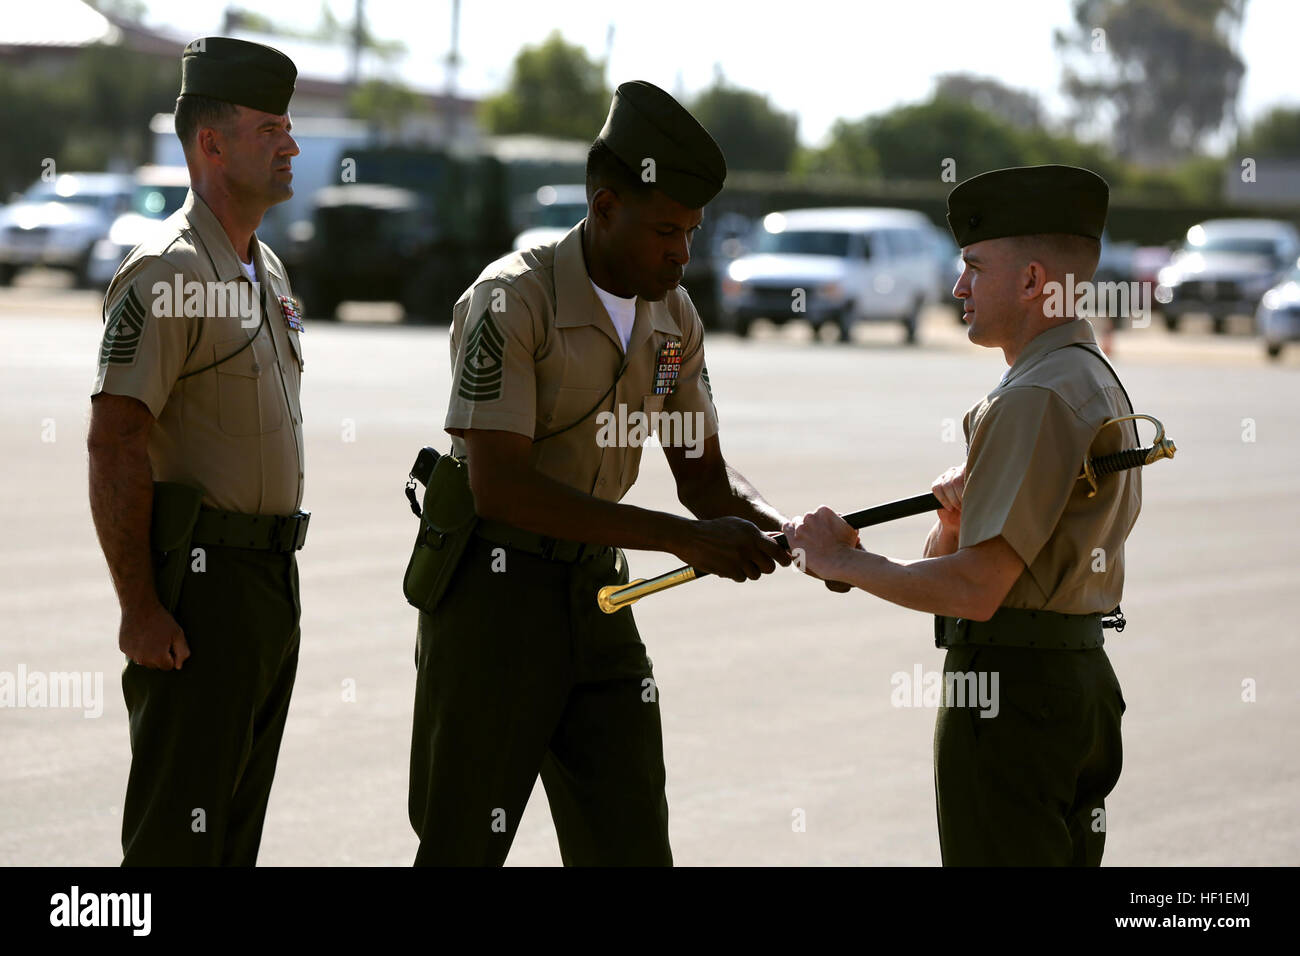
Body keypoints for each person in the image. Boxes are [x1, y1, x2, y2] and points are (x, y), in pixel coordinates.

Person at [409, 80, 797, 866]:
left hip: (597, 598)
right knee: (461, 847)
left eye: (690, 232)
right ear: (604, 204)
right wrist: (687, 541)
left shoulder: (673, 313)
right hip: (493, 597)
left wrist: (787, 530)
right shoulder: (513, 298)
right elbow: (501, 487)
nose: (681, 253)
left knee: (630, 845)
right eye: (664, 231)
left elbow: (706, 479)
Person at [783, 165, 1142, 866]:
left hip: (1015, 695)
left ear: (1034, 281)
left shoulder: (1034, 396)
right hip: (1074, 683)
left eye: (975, 268)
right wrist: (952, 526)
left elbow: (978, 590)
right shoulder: (1088, 374)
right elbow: (985, 559)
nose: (958, 288)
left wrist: (841, 561)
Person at [87, 37, 307, 865]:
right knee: (174, 847)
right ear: (210, 144)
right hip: (200, 590)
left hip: (266, 588)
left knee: (230, 841)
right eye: (268, 130)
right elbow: (115, 439)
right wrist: (140, 607)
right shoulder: (166, 271)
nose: (289, 146)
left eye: (288, 127)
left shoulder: (266, 269)